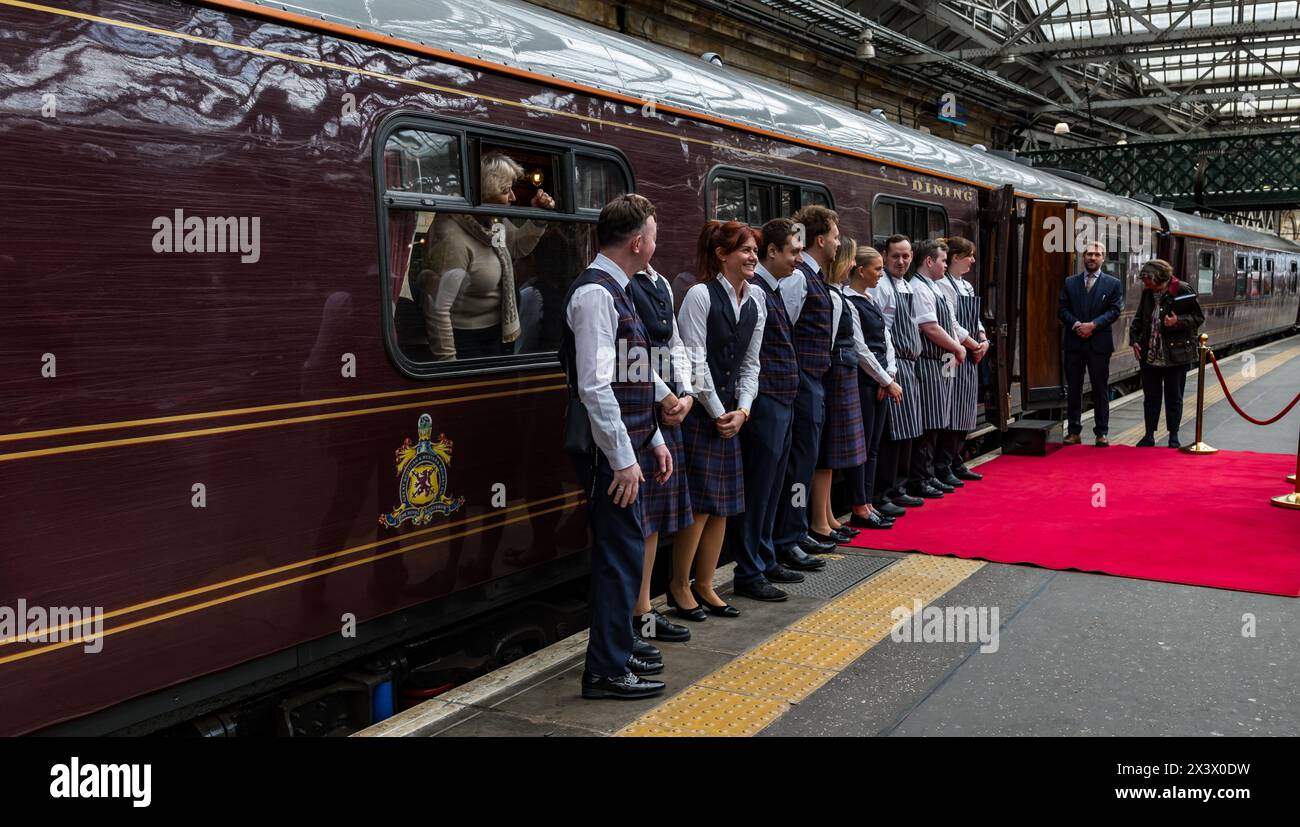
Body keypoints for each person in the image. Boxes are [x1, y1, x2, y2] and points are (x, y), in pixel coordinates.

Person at [561, 193, 672, 700]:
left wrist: (653, 434)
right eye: (652, 234)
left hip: (626, 443)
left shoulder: (617, 287)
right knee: (618, 556)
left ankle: (618, 651)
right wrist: (623, 459)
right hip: (608, 454)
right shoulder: (596, 295)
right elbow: (595, 386)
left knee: (625, 553)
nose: (655, 241)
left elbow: (632, 372)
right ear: (636, 242)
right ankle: (604, 670)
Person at [669, 221, 765, 620]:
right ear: (722, 255)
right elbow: (694, 362)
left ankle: (705, 584)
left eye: (754, 249)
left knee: (723, 506)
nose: (753, 256)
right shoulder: (699, 296)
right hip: (702, 415)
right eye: (745, 249)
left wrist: (743, 410)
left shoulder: (755, 300)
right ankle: (678, 585)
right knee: (701, 506)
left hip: (730, 415)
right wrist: (718, 412)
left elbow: (750, 363)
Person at [727, 218, 809, 603]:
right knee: (760, 489)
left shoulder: (769, 289)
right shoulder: (757, 290)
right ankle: (749, 569)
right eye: (793, 251)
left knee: (775, 488)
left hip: (782, 399)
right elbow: (750, 355)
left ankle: (765, 555)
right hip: (766, 403)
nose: (798, 258)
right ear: (772, 252)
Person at [422, 152, 556, 360]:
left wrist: (539, 217)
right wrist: (449, 365)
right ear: (484, 194)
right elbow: (438, 309)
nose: (512, 197)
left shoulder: (493, 223)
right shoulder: (452, 238)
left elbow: (517, 246)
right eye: (506, 191)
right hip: (467, 342)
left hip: (498, 333)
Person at [627, 264, 696, 646]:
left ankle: (645, 610)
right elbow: (631, 354)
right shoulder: (623, 284)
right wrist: (664, 395)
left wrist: (685, 391)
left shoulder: (661, 281)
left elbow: (676, 345)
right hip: (642, 403)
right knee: (644, 519)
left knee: (654, 519)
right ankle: (639, 612)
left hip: (669, 403)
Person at [771, 205, 841, 572]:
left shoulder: (812, 277)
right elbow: (788, 330)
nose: (838, 242)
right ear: (820, 239)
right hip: (802, 381)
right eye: (835, 235)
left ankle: (797, 530)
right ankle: (789, 536)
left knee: (805, 461)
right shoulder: (800, 279)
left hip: (814, 378)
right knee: (798, 464)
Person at [809, 237, 869, 543]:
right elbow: (831, 342)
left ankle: (828, 515)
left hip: (840, 375)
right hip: (834, 376)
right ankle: (819, 519)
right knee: (826, 453)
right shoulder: (833, 296)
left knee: (831, 454)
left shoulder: (836, 294)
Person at [843, 245, 904, 529]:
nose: (881, 273)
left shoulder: (870, 298)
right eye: (877, 269)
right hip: (864, 382)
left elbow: (886, 338)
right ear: (860, 270)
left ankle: (868, 502)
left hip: (878, 381)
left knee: (873, 446)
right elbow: (860, 348)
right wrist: (885, 380)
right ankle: (859, 506)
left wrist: (889, 375)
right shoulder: (849, 301)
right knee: (862, 447)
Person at [908, 239, 970, 498]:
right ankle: (921, 478)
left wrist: (961, 345)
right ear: (929, 261)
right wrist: (957, 347)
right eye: (943, 260)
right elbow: (930, 327)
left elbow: (950, 323)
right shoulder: (919, 289)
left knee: (937, 421)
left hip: (941, 362)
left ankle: (930, 473)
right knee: (929, 424)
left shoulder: (932, 287)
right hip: (930, 362)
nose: (946, 265)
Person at [871, 235, 924, 516]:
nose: (901, 262)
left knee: (908, 430)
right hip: (894, 365)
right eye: (895, 257)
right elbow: (882, 332)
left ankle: (900, 487)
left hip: (909, 363)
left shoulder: (906, 285)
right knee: (892, 434)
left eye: (905, 256)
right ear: (885, 256)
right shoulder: (882, 287)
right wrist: (887, 374)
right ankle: (883, 493)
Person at [1128, 259, 1205, 448]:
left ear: (1157, 278)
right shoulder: (1148, 293)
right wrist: (1134, 341)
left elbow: (1198, 317)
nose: (1144, 283)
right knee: (1150, 397)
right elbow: (1139, 319)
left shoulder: (1182, 289)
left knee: (1174, 396)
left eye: (1146, 279)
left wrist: (1177, 321)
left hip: (1175, 354)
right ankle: (1148, 435)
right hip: (1151, 353)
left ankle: (1173, 435)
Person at [933, 236, 990, 485]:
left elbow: (974, 318)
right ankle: (943, 464)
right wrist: (972, 344)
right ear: (957, 258)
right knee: (951, 408)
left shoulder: (966, 285)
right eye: (969, 255)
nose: (973, 260)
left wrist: (983, 338)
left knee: (965, 409)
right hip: (953, 355)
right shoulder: (945, 286)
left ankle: (956, 459)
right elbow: (952, 322)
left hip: (969, 354)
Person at [1058, 240, 1124, 446]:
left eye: (1097, 254)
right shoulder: (1070, 282)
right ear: (1083, 257)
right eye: (1089, 254)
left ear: (1103, 258)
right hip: (1074, 343)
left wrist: (1093, 325)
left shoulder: (1113, 284)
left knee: (1100, 389)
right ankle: (1074, 431)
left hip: (1099, 345)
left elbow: (1115, 310)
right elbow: (1062, 309)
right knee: (1074, 389)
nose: (1092, 258)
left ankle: (1101, 433)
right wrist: (1077, 324)